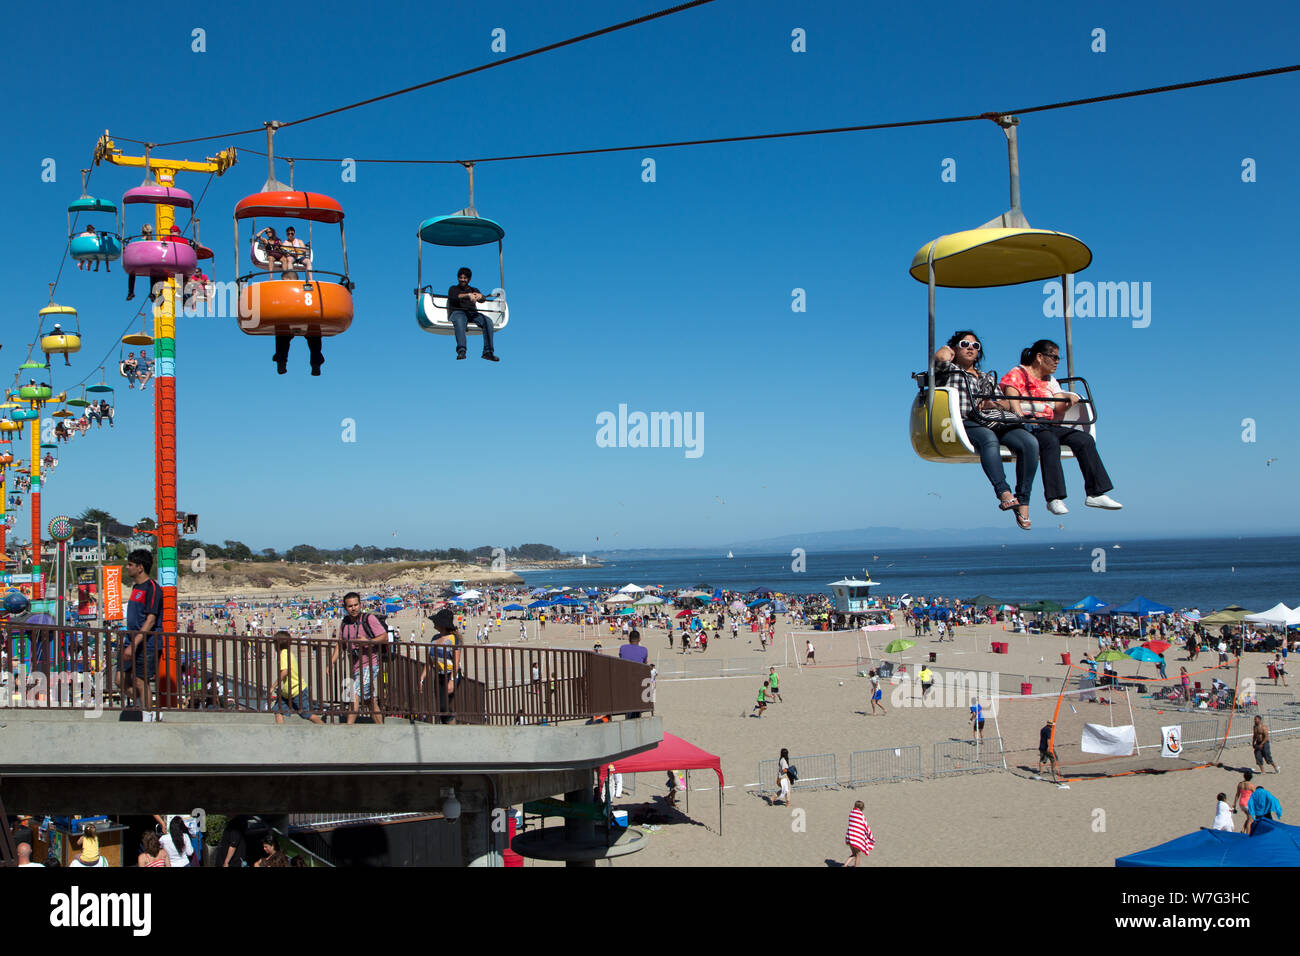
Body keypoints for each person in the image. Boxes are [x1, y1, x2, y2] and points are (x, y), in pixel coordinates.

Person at [1000, 339, 1122, 514]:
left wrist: (1068, 400)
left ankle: (1096, 493)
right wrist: (1022, 419)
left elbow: (1057, 405)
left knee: (1084, 439)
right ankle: (1054, 497)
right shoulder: (1018, 373)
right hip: (1027, 424)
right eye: (1054, 357)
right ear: (1040, 357)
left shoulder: (1050, 380)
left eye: (1059, 358)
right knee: (1049, 442)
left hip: (1047, 424)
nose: (1057, 362)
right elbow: (1012, 397)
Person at [932, 331, 1037, 530]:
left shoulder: (987, 377)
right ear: (955, 349)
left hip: (992, 420)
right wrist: (949, 348)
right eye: (965, 344)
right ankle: (1004, 492)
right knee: (989, 439)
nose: (971, 348)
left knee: (1029, 443)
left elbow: (1004, 403)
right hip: (964, 422)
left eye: (976, 346)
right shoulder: (948, 370)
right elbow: (939, 357)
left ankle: (1023, 500)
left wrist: (993, 404)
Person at [328, 592, 387, 724]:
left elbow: (384, 637)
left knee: (354, 694)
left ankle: (348, 729)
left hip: (370, 664)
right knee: (369, 700)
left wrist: (368, 641)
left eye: (356, 605)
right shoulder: (345, 623)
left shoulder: (369, 619)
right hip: (356, 667)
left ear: (360, 605)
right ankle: (381, 728)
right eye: (350, 606)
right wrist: (331, 662)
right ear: (345, 607)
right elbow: (341, 644)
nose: (353, 608)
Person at [117, 549, 163, 708]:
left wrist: (134, 644)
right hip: (130, 639)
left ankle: (148, 713)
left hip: (147, 643)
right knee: (119, 679)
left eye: (130, 564)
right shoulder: (136, 587)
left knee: (140, 681)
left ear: (140, 567)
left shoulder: (152, 588)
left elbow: (151, 620)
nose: (127, 567)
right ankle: (143, 705)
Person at [269, 631, 324, 724]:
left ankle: (323, 726)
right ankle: (280, 733)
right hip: (288, 691)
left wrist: (273, 686)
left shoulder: (284, 654)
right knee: (278, 711)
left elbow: (285, 671)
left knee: (306, 714)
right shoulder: (287, 653)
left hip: (297, 689)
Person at [446, 267, 499, 362]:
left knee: (488, 321)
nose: (462, 280)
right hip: (458, 311)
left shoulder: (474, 289)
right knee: (460, 320)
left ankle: (488, 352)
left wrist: (480, 296)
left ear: (469, 279)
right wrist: (467, 295)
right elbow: (454, 297)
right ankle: (461, 350)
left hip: (472, 313)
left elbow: (482, 299)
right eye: (460, 278)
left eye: (465, 278)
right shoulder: (453, 288)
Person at [420, 607, 461, 724]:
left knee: (444, 706)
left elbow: (456, 663)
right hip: (439, 675)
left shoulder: (453, 639)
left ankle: (451, 728)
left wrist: (452, 680)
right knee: (440, 706)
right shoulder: (434, 638)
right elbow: (429, 662)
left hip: (451, 674)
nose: (434, 623)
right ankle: (446, 727)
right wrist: (422, 678)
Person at [843, 800, 875, 866]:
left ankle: (845, 865)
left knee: (854, 854)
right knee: (858, 855)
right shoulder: (861, 815)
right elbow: (866, 826)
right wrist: (870, 836)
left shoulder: (851, 813)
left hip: (850, 836)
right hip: (857, 838)